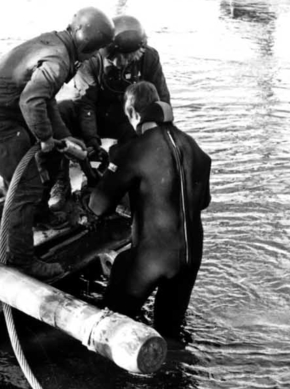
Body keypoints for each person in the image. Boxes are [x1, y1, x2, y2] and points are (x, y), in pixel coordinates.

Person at [0, 7, 115, 278]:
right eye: (95, 51)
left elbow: (46, 100)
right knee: (25, 187)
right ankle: (21, 260)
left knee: (34, 178)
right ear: (87, 45)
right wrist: (46, 138)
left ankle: (36, 217)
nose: (94, 57)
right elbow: (32, 101)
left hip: (5, 113)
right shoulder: (59, 60)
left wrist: (63, 135)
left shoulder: (56, 44)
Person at [85, 80, 211, 337]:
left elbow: (98, 206)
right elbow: (203, 201)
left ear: (133, 112)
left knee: (111, 327)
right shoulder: (194, 147)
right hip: (191, 257)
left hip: (152, 258)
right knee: (169, 333)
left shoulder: (134, 150)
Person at [51, 15, 170, 207]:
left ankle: (131, 183)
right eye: (111, 57)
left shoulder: (149, 58)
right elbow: (85, 104)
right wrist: (91, 140)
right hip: (94, 116)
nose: (117, 62)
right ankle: (60, 181)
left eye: (123, 57)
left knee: (142, 136)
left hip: (127, 121)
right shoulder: (90, 60)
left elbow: (161, 100)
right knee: (60, 111)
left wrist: (164, 138)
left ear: (136, 52)